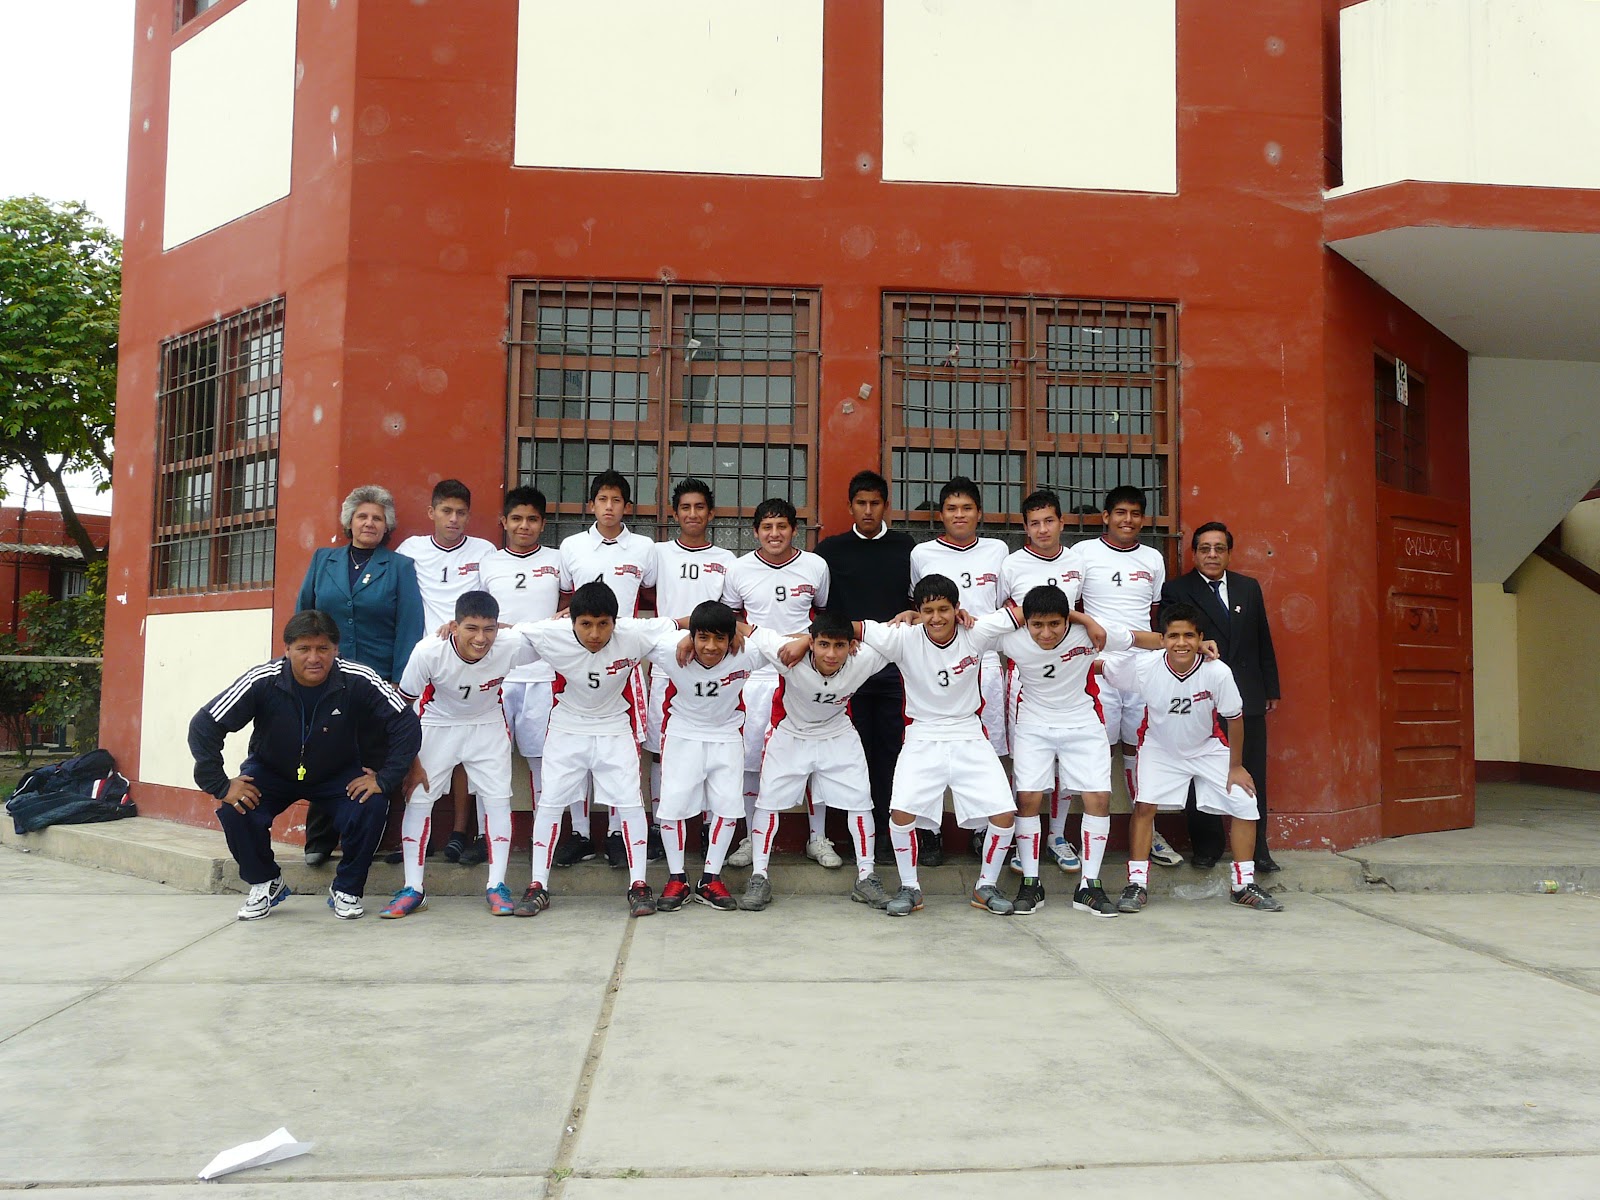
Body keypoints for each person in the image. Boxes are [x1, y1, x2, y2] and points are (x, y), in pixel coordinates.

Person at [189, 611, 421, 921]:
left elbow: (405, 722)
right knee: (235, 807)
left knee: (372, 803)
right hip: (271, 770)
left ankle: (347, 888)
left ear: (336, 650)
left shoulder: (358, 678)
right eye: (304, 649)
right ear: (287, 650)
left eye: (323, 648)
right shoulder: (263, 680)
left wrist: (386, 778)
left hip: (338, 773)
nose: (314, 658)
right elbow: (205, 725)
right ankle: (264, 882)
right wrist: (220, 784)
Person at [808, 575, 1018, 917]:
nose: (937, 618)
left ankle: (986, 886)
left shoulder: (976, 632)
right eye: (928, 611)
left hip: (968, 732)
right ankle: (910, 887)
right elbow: (847, 628)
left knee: (1004, 814)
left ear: (957, 609)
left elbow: (1026, 612)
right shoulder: (903, 638)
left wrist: (1081, 619)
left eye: (944, 610)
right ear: (917, 611)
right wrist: (805, 643)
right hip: (922, 734)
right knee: (901, 812)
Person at [507, 583, 679, 918]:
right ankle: (538, 884)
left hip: (614, 728)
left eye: (603, 624)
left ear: (617, 621)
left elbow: (678, 626)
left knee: (630, 803)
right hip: (567, 727)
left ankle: (639, 884)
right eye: (585, 624)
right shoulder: (549, 632)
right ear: (571, 621)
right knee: (551, 803)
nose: (595, 633)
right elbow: (506, 633)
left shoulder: (635, 633)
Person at [991, 585, 1163, 916]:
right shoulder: (1010, 639)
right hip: (1034, 724)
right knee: (1027, 799)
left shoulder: (1090, 633)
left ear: (1067, 620)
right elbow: (965, 631)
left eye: (1055, 624)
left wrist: (1195, 645)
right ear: (1026, 622)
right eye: (1037, 625)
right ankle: (1031, 883)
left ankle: (1089, 886)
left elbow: (1144, 640)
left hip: (1083, 723)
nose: (1046, 633)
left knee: (1098, 798)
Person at [1100, 603, 1283, 913]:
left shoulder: (1217, 671)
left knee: (1244, 802)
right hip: (1160, 747)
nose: (1181, 643)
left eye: (1188, 635)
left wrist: (1236, 766)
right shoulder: (1145, 666)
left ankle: (1243, 885)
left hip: (1207, 747)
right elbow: (1101, 668)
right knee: (1144, 805)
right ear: (1162, 639)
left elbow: (1234, 718)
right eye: (1173, 636)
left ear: (1201, 638)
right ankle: (1137, 884)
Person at [381, 591, 536, 919]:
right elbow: (403, 706)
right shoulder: (429, 651)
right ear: (453, 626)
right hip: (437, 724)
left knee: (497, 801)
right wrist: (411, 760)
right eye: (471, 629)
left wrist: (506, 630)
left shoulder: (510, 644)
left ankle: (497, 885)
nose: (480, 639)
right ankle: (413, 888)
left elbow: (552, 637)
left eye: (489, 629)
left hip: (487, 724)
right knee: (419, 800)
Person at [295, 484, 425, 866]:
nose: (369, 523)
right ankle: (319, 838)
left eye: (378, 518)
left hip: (376, 678)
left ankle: (362, 840)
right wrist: (302, 664)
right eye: (363, 516)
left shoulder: (399, 567)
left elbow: (409, 623)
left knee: (371, 758)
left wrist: (400, 679)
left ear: (387, 528)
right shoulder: (324, 560)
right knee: (321, 751)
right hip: (326, 674)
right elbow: (304, 614)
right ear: (349, 522)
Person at [738, 609, 894, 911]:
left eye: (839, 646)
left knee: (861, 801)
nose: (831, 654)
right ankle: (759, 876)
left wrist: (908, 614)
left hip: (837, 734)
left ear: (852, 645)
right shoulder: (785, 652)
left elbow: (905, 634)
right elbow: (740, 627)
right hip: (791, 734)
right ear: (812, 643)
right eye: (823, 644)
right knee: (767, 801)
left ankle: (866, 875)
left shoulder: (865, 659)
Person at [1160, 521, 1282, 872]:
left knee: (1252, 770)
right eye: (1204, 549)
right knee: (1200, 772)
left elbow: (1262, 639)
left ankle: (1259, 850)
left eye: (1219, 548)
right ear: (1194, 553)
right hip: (1200, 694)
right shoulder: (1177, 590)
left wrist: (1270, 688)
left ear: (1229, 552)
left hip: (1247, 692)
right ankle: (1208, 847)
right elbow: (1170, 639)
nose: (1212, 555)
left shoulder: (1248, 587)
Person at [722, 496, 832, 868]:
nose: (774, 533)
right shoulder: (738, 570)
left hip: (804, 676)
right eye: (766, 527)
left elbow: (823, 615)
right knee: (752, 761)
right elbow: (730, 617)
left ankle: (818, 838)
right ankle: (753, 839)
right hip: (756, 677)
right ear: (755, 532)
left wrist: (804, 644)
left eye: (781, 526)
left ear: (793, 530)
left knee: (814, 760)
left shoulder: (815, 566)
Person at [557, 469, 658, 868]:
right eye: (602, 500)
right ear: (592, 505)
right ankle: (580, 832)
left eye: (617, 500)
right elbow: (565, 600)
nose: (610, 507)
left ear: (627, 507)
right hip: (579, 659)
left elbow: (651, 596)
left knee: (626, 746)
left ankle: (618, 832)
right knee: (577, 743)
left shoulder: (646, 548)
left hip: (625, 661)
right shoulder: (571, 546)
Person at [1076, 485, 1181, 867]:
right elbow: (1073, 610)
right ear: (1105, 516)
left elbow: (1153, 616)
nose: (1128, 520)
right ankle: (1094, 839)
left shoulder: (1153, 558)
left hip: (1143, 669)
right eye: (1120, 512)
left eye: (1135, 513)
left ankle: (1148, 834)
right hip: (1099, 668)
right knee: (1097, 750)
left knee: (1140, 750)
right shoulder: (1083, 554)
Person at [815, 470, 915, 867]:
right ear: (850, 506)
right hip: (847, 670)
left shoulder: (905, 547)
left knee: (890, 751)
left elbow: (916, 605)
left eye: (875, 503)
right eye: (861, 503)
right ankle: (855, 837)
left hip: (893, 669)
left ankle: (889, 834)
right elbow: (821, 609)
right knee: (851, 754)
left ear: (885, 505)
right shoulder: (830, 551)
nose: (868, 510)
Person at [395, 479, 498, 864]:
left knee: (465, 752)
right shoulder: (412, 550)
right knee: (419, 748)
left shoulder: (484, 552)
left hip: (472, 660)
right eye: (446, 511)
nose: (453, 519)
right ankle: (414, 841)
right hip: (430, 664)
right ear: (432, 513)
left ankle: (459, 831)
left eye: (460, 513)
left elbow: (488, 605)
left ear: (469, 516)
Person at [909, 477, 1011, 865]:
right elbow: (922, 605)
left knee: (985, 748)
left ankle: (982, 829)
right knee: (931, 745)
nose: (959, 515)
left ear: (979, 513)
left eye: (967, 508)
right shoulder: (923, 553)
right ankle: (929, 832)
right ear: (941, 515)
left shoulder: (998, 549)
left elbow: (1004, 606)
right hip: (934, 660)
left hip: (983, 660)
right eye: (952, 509)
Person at [644, 601, 766, 913]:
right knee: (672, 807)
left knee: (727, 806)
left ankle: (710, 878)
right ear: (692, 636)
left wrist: (743, 629)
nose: (711, 647)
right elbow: (630, 631)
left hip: (725, 735)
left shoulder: (748, 652)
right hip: (684, 734)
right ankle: (677, 878)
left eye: (719, 639)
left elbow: (789, 643)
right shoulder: (670, 648)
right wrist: (681, 630)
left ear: (731, 639)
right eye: (703, 638)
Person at [997, 488, 1088, 875]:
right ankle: (1024, 841)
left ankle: (1057, 834)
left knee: (1064, 758)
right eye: (1034, 523)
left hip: (1070, 673)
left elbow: (1079, 613)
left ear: (1061, 522)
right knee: (1029, 760)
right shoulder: (1012, 564)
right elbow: (1004, 617)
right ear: (1025, 528)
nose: (1042, 529)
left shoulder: (1078, 563)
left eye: (1049, 520)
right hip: (1027, 673)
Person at [645, 479, 736, 857]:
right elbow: (643, 596)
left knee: (708, 747)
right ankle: (657, 823)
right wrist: (679, 632)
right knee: (658, 749)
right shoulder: (658, 553)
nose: (693, 514)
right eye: (685, 507)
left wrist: (700, 635)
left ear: (710, 513)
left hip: (712, 662)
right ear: (675, 513)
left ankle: (704, 825)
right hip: (670, 662)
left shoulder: (727, 560)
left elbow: (731, 614)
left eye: (700, 507)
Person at [475, 486, 564, 856]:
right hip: (498, 677)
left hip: (543, 676)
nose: (523, 526)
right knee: (491, 757)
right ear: (504, 523)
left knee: (542, 760)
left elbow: (575, 604)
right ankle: (485, 836)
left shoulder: (559, 560)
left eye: (531, 520)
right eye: (516, 519)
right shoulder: (488, 562)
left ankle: (547, 836)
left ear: (542, 524)